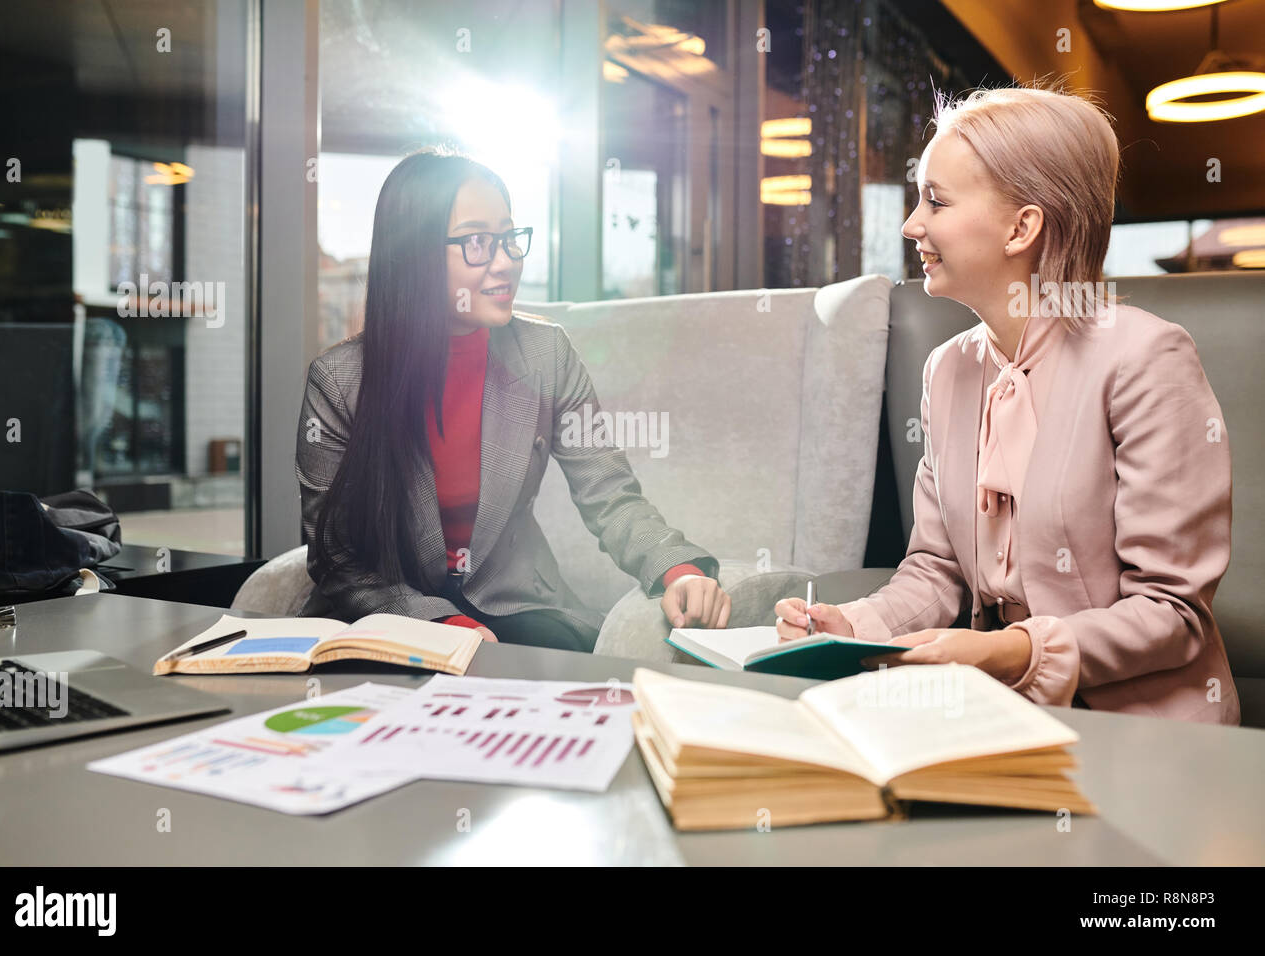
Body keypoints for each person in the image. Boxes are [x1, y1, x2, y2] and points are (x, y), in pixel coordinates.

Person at [775, 86, 1239, 724]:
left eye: (935, 201)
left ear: (1022, 227)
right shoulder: (947, 369)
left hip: (1141, 728)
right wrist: (852, 623)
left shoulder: (1147, 360)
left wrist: (1007, 652)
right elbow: (936, 569)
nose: (912, 225)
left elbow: (1173, 613)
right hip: (996, 711)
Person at [296, 146, 730, 652]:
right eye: (478, 242)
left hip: (515, 611)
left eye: (509, 238)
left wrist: (675, 569)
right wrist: (445, 627)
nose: (505, 263)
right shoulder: (338, 380)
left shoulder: (547, 355)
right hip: (390, 617)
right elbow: (336, 557)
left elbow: (610, 495)